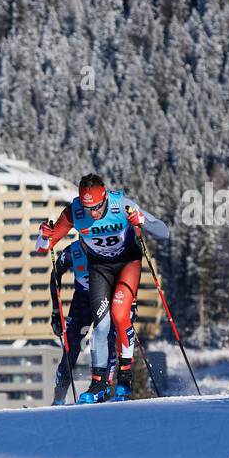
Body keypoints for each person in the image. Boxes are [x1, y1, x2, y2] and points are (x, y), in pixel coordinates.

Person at [36, 174, 166, 402]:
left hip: (127, 263)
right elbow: (44, 247)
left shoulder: (121, 205)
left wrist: (142, 222)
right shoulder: (74, 211)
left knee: (119, 314)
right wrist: (43, 236)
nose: (93, 213)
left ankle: (124, 381)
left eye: (96, 207)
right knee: (101, 325)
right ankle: (99, 385)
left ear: (105, 197)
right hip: (100, 268)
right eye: (88, 208)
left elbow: (164, 231)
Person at [47, 239, 121, 405]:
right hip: (82, 301)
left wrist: (131, 304)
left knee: (108, 341)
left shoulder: (109, 246)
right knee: (71, 347)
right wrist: (56, 312)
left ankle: (104, 388)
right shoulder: (72, 251)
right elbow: (55, 275)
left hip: (106, 299)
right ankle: (59, 396)